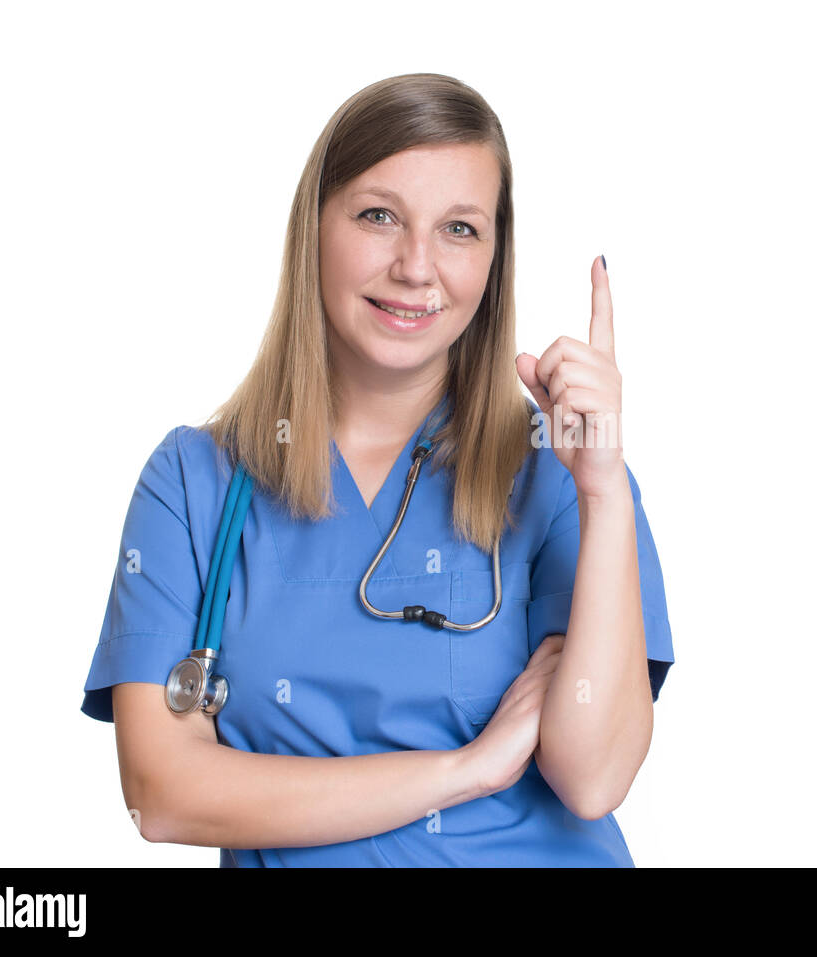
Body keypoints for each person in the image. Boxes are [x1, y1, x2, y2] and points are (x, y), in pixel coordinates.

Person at [80, 73, 675, 867]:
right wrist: (467, 769)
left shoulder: (561, 475)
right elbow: (161, 794)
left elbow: (594, 776)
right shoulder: (194, 485)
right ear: (313, 229)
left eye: (460, 229)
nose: (416, 266)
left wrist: (601, 491)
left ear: (495, 261)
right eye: (378, 216)